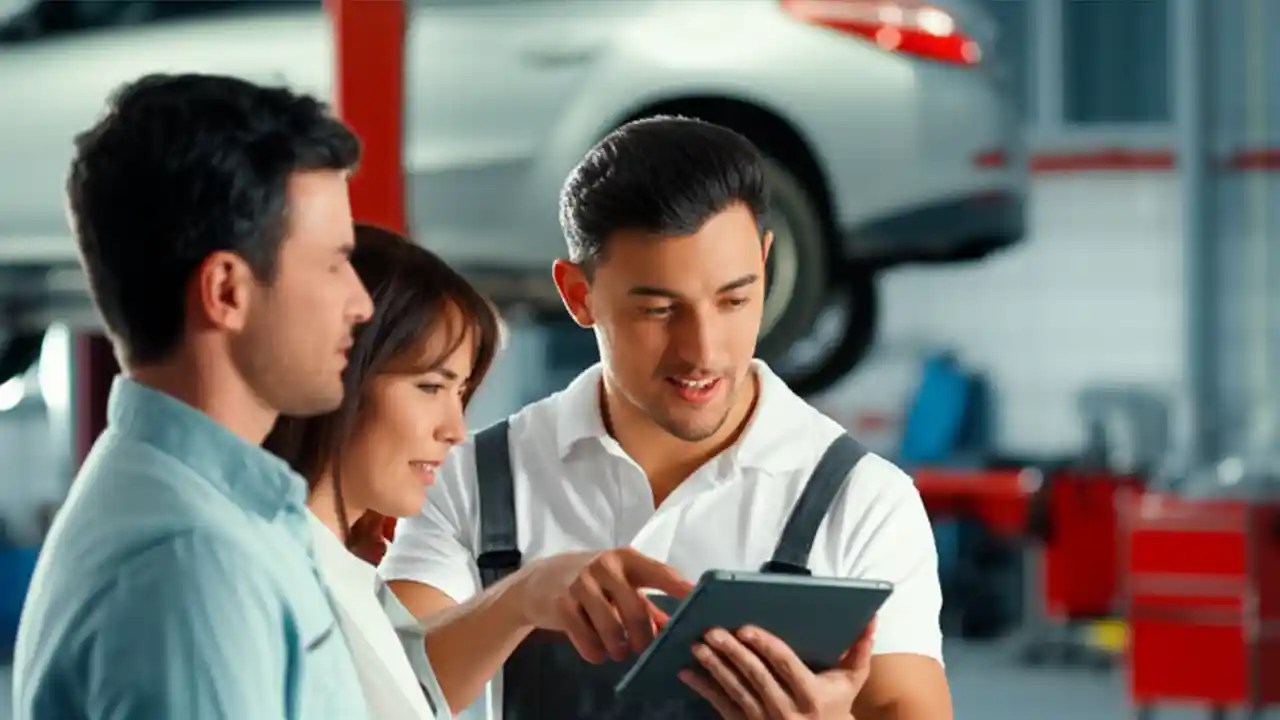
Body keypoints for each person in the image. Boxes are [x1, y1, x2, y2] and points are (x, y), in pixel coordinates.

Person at [379, 116, 954, 719]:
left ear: (765, 261)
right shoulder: (474, 479)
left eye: (735, 299)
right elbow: (382, 696)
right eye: (658, 310)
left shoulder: (862, 501)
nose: (704, 350)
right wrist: (522, 596)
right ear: (579, 295)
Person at [12, 74, 375, 720]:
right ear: (226, 292)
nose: (361, 302)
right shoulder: (193, 566)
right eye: (333, 264)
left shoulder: (207, 511)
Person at [265, 223, 503, 720]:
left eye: (460, 394)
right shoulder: (267, 576)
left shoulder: (347, 574)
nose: (456, 430)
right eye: (431, 387)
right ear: (343, 373)